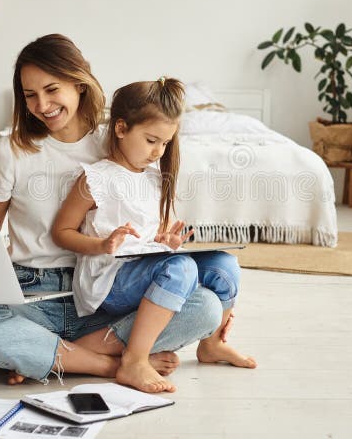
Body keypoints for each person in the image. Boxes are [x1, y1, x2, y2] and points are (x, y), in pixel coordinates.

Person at [0, 35, 228, 385]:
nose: (42, 104)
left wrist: (164, 239)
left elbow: (145, 213)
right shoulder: (10, 151)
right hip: (34, 293)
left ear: (79, 83)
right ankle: (108, 363)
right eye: (30, 95)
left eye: (52, 89)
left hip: (107, 294)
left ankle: (45, 355)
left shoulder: (117, 141)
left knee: (205, 307)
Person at [52, 77, 256, 394]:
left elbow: (156, 235)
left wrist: (167, 242)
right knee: (181, 269)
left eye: (164, 143)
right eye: (151, 140)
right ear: (121, 129)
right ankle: (134, 360)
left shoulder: (155, 178)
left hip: (146, 268)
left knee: (224, 265)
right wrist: (101, 244)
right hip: (109, 278)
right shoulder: (96, 178)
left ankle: (212, 344)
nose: (158, 151)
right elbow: (61, 232)